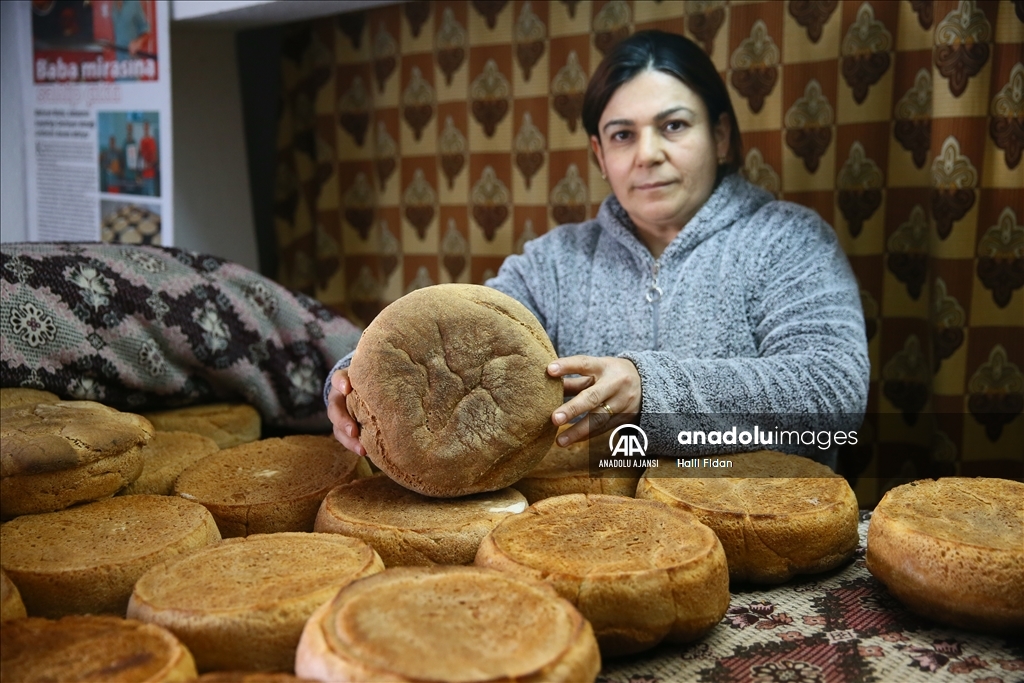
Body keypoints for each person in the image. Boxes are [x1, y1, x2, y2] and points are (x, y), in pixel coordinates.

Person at [325, 31, 868, 469]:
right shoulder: (555, 263)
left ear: (721, 137)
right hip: (595, 539)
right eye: (623, 135)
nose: (648, 154)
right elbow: (462, 339)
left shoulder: (790, 241)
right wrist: (356, 377)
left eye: (674, 126)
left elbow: (833, 394)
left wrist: (648, 388)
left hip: (763, 526)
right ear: (599, 154)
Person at [138, 120, 158, 196]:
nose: (146, 129)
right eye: (144, 127)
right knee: (144, 195)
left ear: (148, 128)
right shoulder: (142, 141)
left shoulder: (152, 140)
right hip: (144, 174)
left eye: (147, 127)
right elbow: (140, 157)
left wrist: (148, 165)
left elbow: (155, 158)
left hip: (150, 174)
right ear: (143, 128)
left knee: (151, 194)